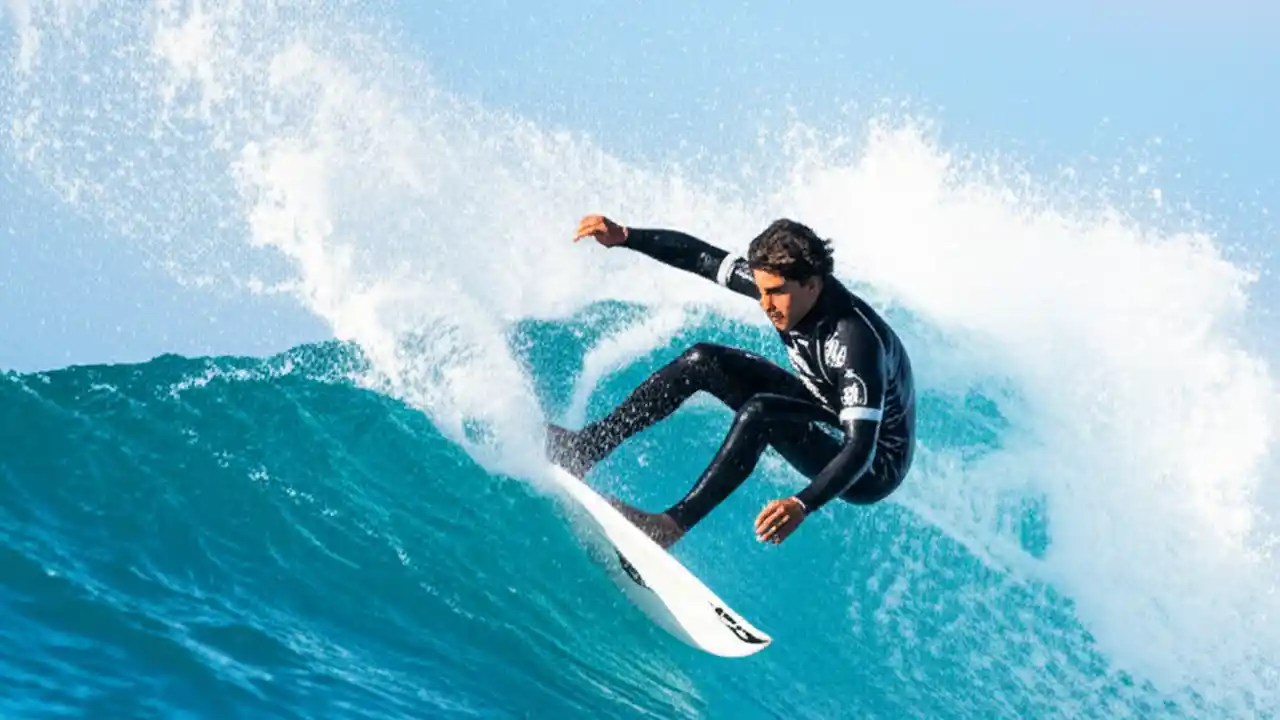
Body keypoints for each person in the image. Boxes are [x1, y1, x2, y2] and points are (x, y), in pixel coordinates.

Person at [547, 214, 916, 548]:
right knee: (702, 360)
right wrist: (626, 236)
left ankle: (669, 526)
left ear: (813, 284)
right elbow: (701, 259)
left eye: (775, 293)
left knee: (762, 413)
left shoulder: (853, 342)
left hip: (872, 465)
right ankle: (587, 448)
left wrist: (802, 503)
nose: (765, 304)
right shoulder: (782, 286)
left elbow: (860, 448)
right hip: (827, 407)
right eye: (761, 290)